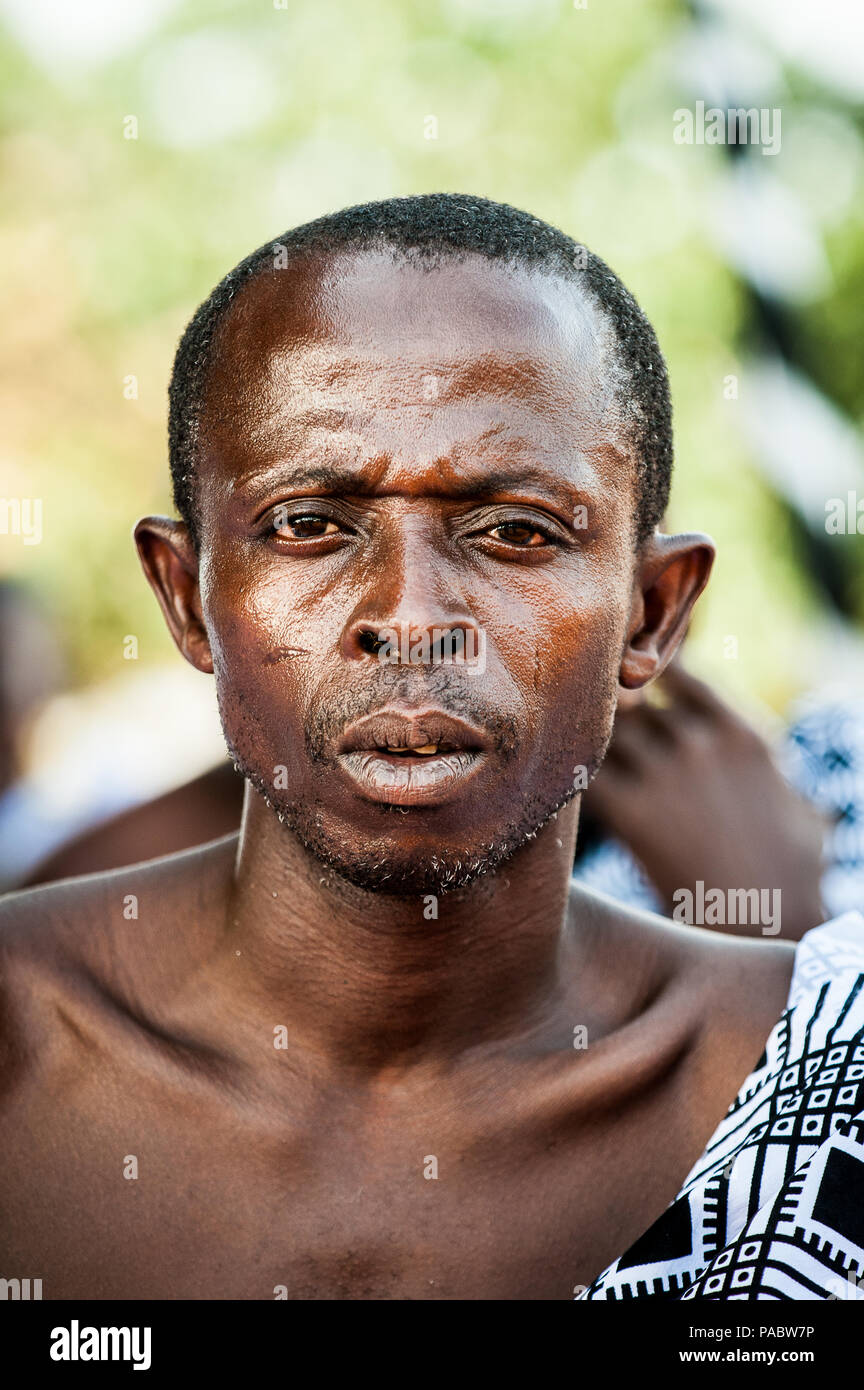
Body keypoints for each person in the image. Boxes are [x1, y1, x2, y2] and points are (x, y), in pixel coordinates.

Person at [1, 194, 862, 1301]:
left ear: (650, 612)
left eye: (515, 529)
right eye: (311, 522)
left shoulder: (824, 1077)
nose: (410, 614)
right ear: (186, 595)